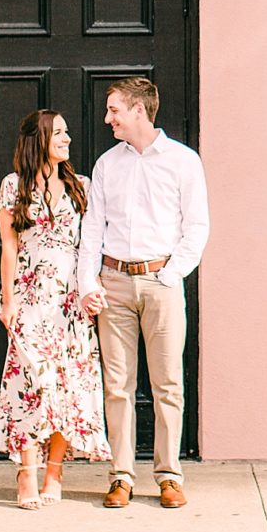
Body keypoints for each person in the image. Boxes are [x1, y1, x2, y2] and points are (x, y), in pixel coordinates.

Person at [78, 77, 210, 510]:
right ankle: (121, 476)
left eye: (114, 110)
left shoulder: (182, 161)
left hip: (161, 281)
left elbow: (197, 226)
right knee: (117, 385)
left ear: (139, 110)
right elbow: (93, 228)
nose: (108, 118)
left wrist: (171, 275)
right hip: (113, 282)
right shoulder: (107, 164)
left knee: (167, 383)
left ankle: (169, 476)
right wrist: (88, 283)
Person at [0, 110, 111, 509]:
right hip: (31, 296)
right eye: (59, 132)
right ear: (38, 139)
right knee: (29, 382)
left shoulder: (80, 186)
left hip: (70, 302)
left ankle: (54, 472)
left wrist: (91, 289)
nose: (67, 138)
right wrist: (8, 299)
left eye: (66, 132)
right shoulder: (13, 185)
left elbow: (91, 245)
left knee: (68, 384)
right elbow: (9, 247)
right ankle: (27, 471)